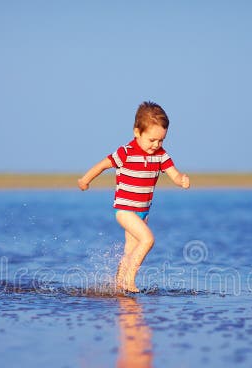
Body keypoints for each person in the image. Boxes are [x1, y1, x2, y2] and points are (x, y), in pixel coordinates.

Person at [78, 101, 190, 293]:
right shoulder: (126, 153)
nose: (156, 145)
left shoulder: (161, 155)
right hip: (125, 210)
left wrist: (182, 180)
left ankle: (118, 284)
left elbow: (174, 174)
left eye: (161, 140)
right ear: (137, 132)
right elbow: (103, 165)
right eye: (152, 140)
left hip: (143, 212)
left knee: (130, 250)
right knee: (148, 240)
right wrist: (85, 180)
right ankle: (130, 279)